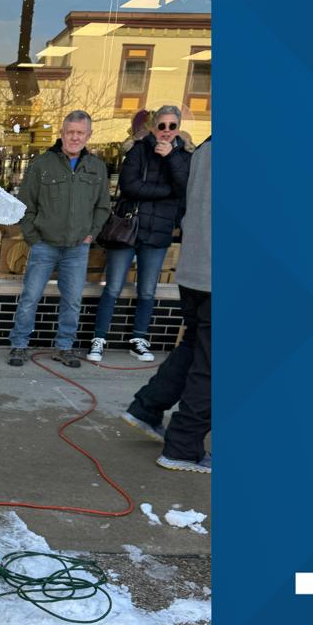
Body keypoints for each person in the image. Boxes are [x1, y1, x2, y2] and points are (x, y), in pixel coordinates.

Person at [120, 137, 211, 473]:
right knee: (212, 366)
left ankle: (147, 407)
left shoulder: (202, 150)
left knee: (194, 348)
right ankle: (184, 447)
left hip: (194, 270)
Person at [87, 105, 192, 363]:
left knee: (147, 289)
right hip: (129, 229)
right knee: (112, 285)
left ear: (178, 128)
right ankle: (99, 338)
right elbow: (129, 186)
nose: (166, 132)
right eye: (161, 126)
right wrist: (167, 192)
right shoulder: (138, 150)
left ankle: (139, 338)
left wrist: (170, 158)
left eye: (172, 126)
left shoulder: (185, 156)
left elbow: (185, 186)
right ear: (154, 126)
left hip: (158, 233)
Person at [6, 110, 110, 368]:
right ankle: (19, 345)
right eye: (70, 132)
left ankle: (64, 347)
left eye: (80, 133)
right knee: (31, 296)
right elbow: (26, 205)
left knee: (72, 300)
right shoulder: (42, 164)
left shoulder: (96, 168)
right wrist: (33, 238)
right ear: (62, 133)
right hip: (44, 245)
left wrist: (91, 234)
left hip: (77, 247)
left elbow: (103, 207)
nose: (75, 137)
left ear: (88, 136)